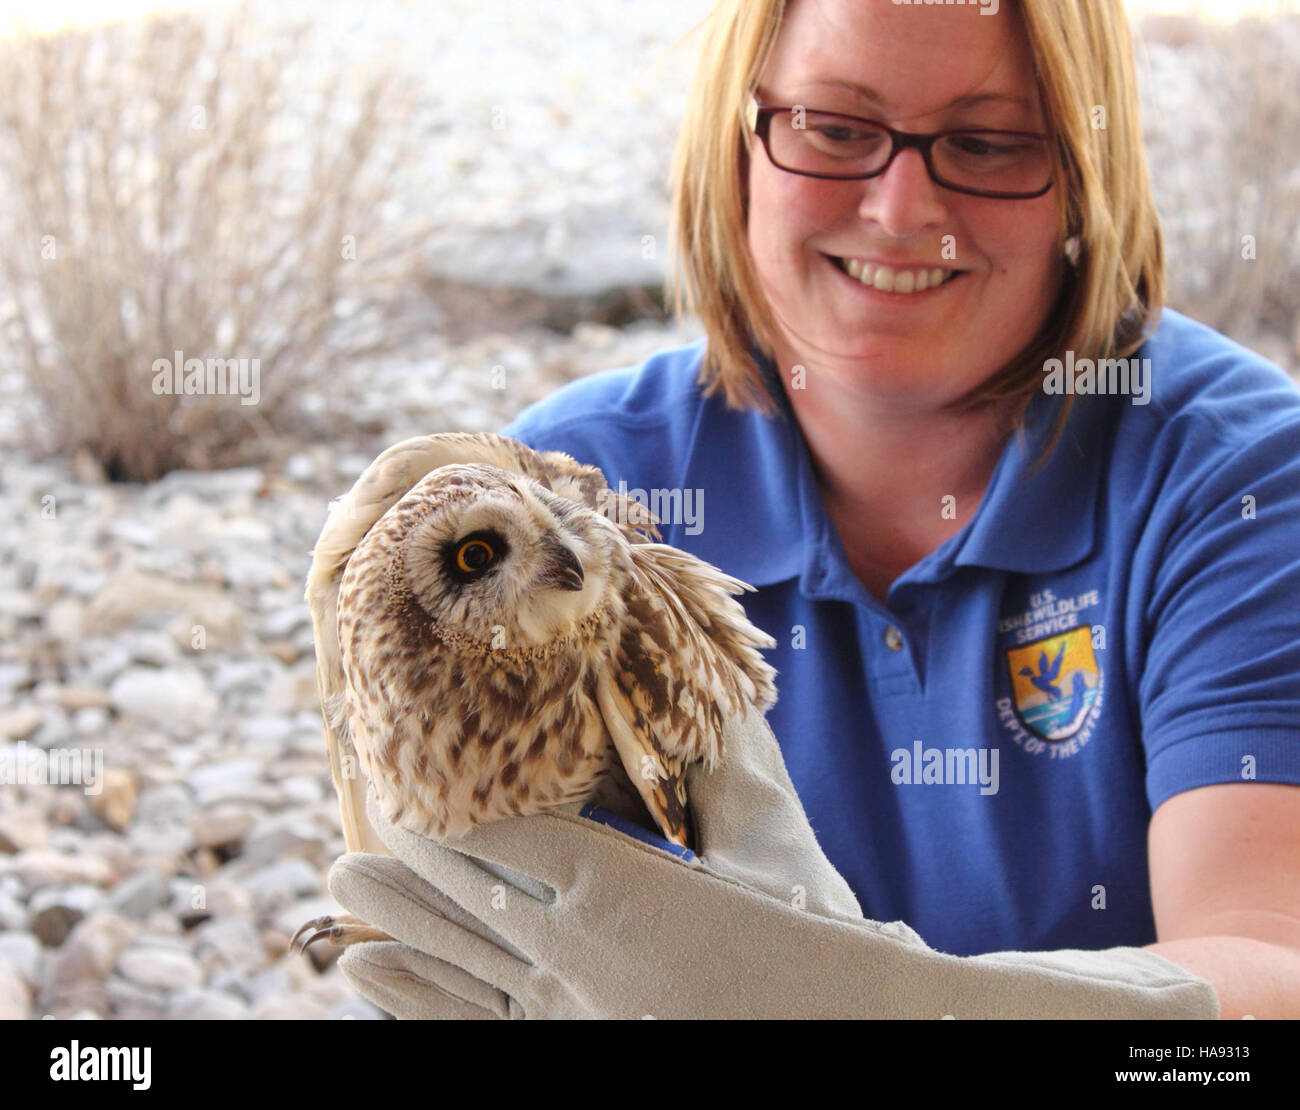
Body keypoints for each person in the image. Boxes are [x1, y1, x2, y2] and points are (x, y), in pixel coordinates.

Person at [328, 0, 1300, 1019]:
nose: (899, 209)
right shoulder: (569, 494)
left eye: (987, 141)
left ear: (1082, 175)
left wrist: (891, 1010)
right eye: (833, 129)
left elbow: (1270, 962)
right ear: (735, 142)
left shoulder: (1236, 481)